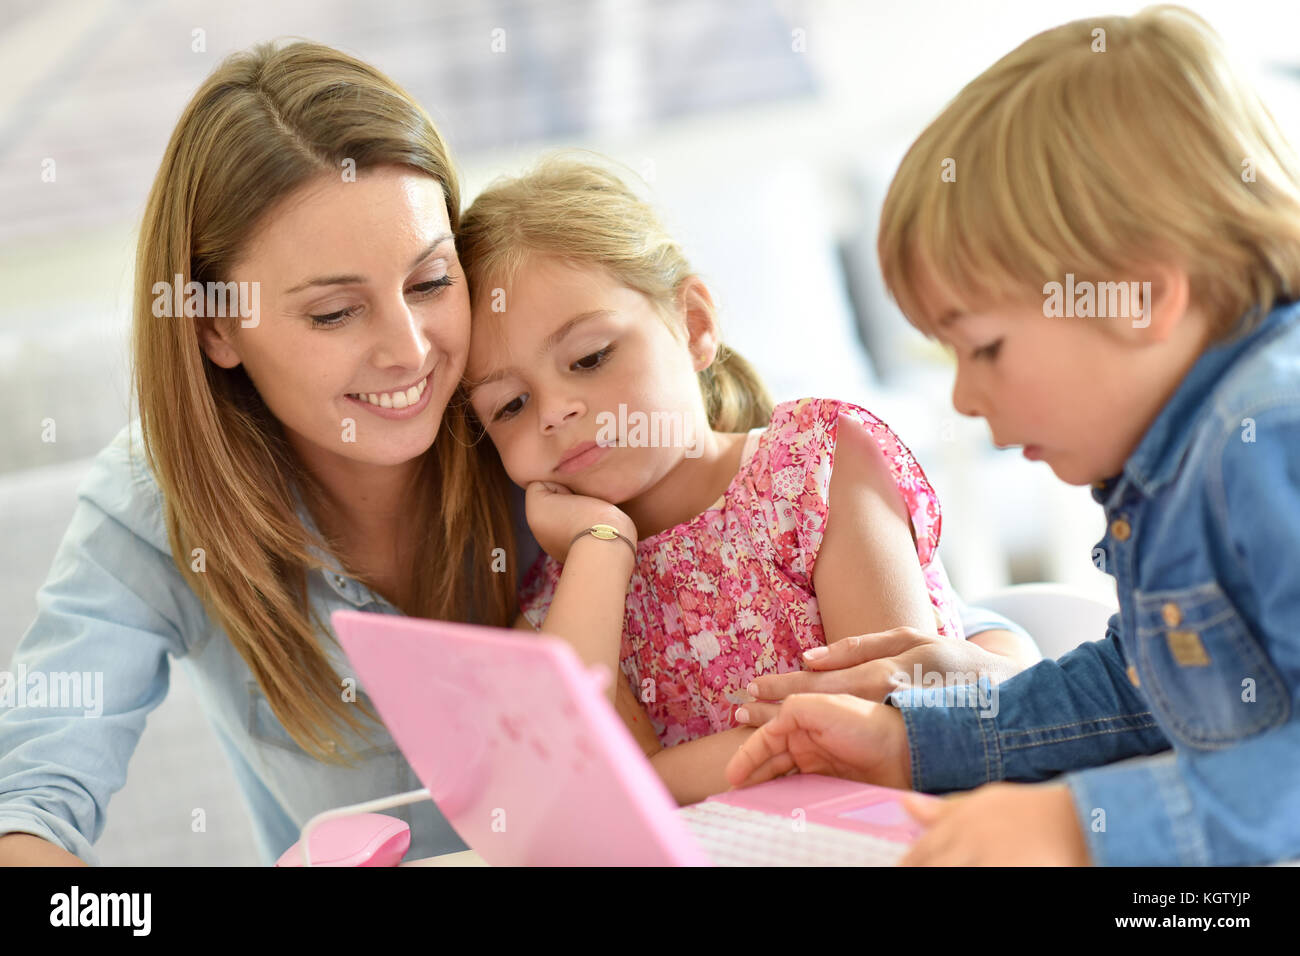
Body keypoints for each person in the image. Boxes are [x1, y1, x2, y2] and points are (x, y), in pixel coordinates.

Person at [727, 5, 1300, 866]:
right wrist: (914, 745)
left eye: (985, 347)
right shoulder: (1177, 463)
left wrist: (1085, 823)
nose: (961, 398)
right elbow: (1148, 690)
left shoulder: (1270, 439)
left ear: (1140, 296)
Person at [455, 155, 1042, 805]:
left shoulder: (816, 469)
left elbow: (886, 725)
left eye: (590, 357)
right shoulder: (559, 603)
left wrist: (652, 777)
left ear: (694, 325)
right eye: (509, 405)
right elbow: (583, 798)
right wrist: (600, 547)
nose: (557, 410)